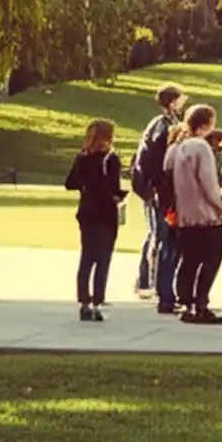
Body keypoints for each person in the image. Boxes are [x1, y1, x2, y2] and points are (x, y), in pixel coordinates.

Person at [166, 105, 222, 325]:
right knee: (212, 258)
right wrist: (219, 205)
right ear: (207, 123)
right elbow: (208, 181)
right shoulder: (201, 147)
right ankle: (201, 302)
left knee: (189, 260)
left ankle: (186, 302)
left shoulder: (176, 147)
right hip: (205, 214)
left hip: (185, 214)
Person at [65, 120, 127, 322]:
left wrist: (86, 185)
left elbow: (70, 183)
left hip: (87, 210)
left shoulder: (83, 156)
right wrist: (118, 195)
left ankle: (84, 301)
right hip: (105, 213)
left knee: (87, 257)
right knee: (103, 258)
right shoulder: (110, 158)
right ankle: (97, 301)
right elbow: (112, 186)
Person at [131, 83, 185, 313]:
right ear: (172, 102)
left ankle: (147, 280)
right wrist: (154, 187)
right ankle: (149, 281)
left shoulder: (167, 123)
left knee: (157, 234)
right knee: (160, 235)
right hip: (157, 189)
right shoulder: (162, 126)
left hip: (156, 188)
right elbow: (153, 159)